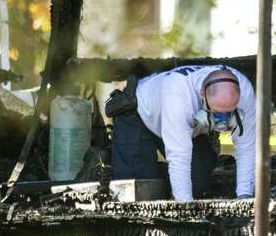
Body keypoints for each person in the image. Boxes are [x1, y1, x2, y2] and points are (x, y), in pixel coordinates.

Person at [108, 64, 256, 200]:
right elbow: (179, 156)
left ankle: (161, 175)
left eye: (229, 114)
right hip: (139, 114)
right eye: (217, 114)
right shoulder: (178, 96)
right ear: (202, 94)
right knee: (138, 189)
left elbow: (247, 147)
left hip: (186, 127)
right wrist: (185, 209)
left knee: (198, 182)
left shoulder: (245, 92)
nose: (223, 123)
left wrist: (244, 195)